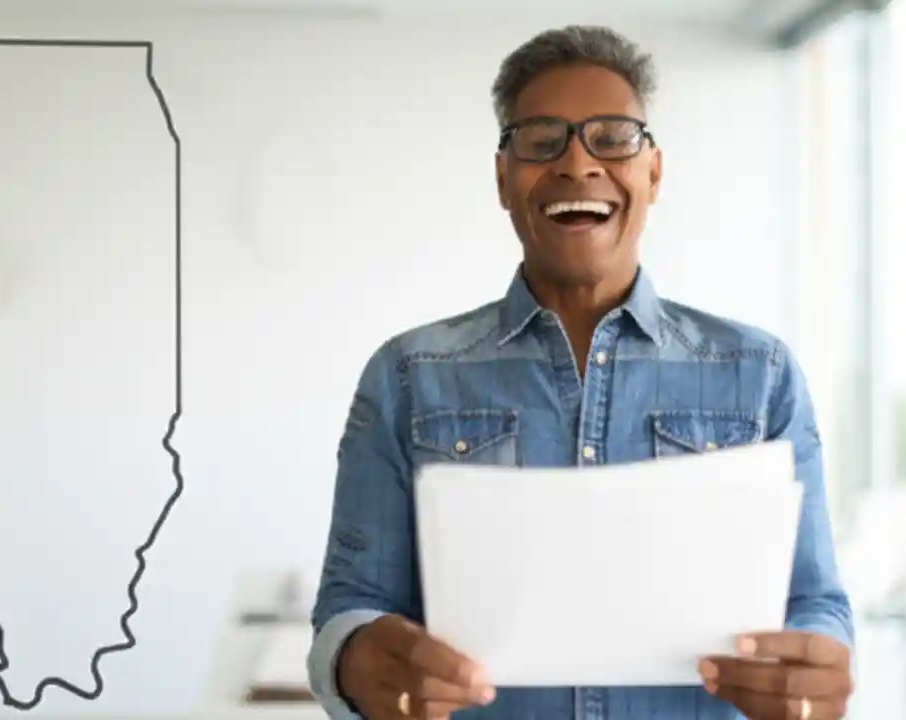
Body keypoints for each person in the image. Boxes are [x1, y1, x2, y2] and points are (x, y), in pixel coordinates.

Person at [306, 25, 855, 720]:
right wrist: (357, 661)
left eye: (612, 137)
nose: (576, 164)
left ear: (653, 171)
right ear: (503, 179)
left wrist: (818, 667)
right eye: (541, 140)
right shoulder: (407, 375)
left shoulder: (761, 374)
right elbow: (349, 608)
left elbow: (815, 603)